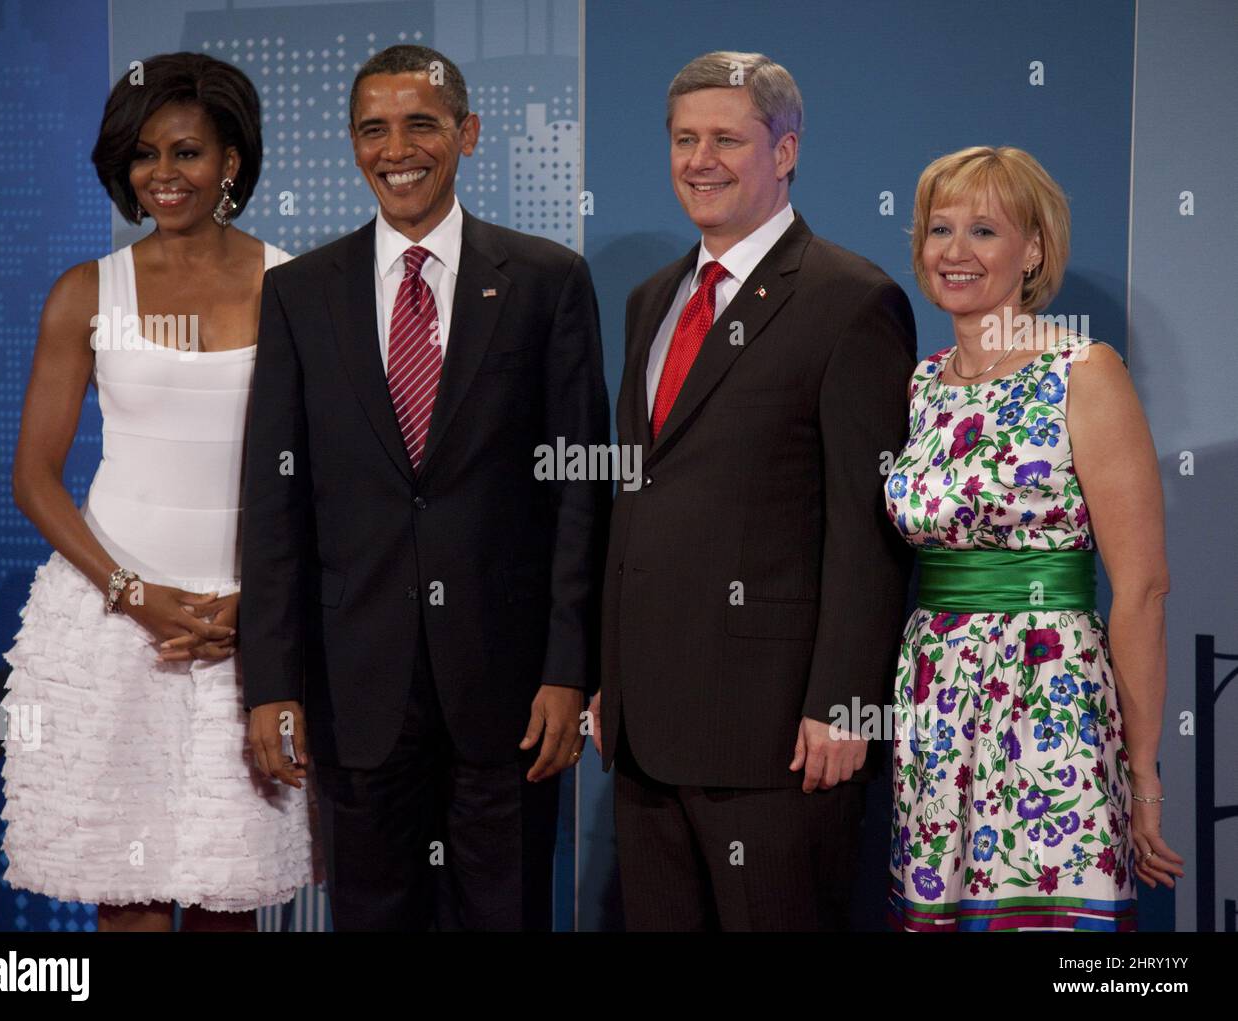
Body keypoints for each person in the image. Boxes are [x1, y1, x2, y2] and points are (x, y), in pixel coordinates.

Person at [239, 44, 610, 931]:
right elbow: (275, 502)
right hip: (354, 690)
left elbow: (579, 496)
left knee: (505, 912)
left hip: (510, 692)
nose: (396, 148)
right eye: (374, 129)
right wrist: (270, 681)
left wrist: (569, 669)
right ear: (354, 145)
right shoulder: (298, 292)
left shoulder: (548, 281)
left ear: (467, 134)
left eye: (421, 124)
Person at [590, 51, 917, 931]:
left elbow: (867, 526)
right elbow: (637, 497)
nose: (701, 159)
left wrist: (846, 702)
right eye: (684, 139)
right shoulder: (652, 299)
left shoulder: (853, 301)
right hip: (647, 728)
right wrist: (607, 676)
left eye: (727, 138)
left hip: (778, 739)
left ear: (785, 152)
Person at [1, 52, 317, 932]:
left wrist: (257, 607)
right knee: (127, 899)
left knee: (229, 897)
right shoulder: (84, 293)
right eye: (144, 155)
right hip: (113, 628)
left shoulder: (296, 291)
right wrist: (132, 593)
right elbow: (34, 475)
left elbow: (324, 480)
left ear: (232, 164)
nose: (163, 175)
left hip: (247, 631)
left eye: (186, 153)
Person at [886, 145, 1184, 931]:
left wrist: (1142, 771)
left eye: (984, 230)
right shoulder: (920, 385)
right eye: (938, 228)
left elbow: (1143, 587)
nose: (954, 251)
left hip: (1047, 698)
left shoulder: (1084, 370)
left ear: (1035, 249)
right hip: (934, 703)